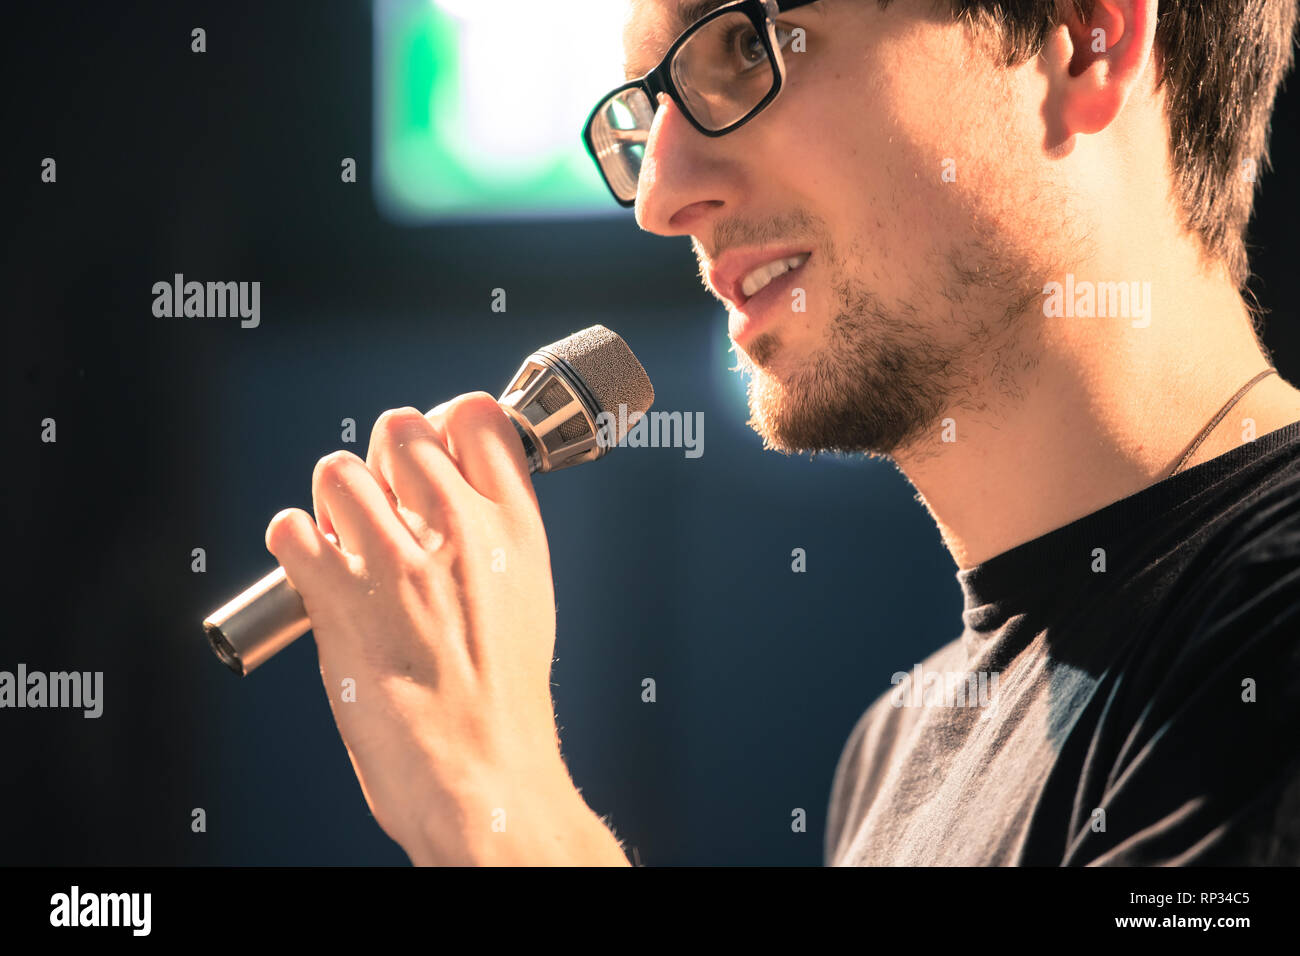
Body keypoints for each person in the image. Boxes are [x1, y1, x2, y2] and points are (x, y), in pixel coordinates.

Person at [265, 0, 1300, 865]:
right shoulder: (895, 751)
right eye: (645, 114)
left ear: (1084, 39)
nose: (661, 198)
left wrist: (502, 807)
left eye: (750, 46)